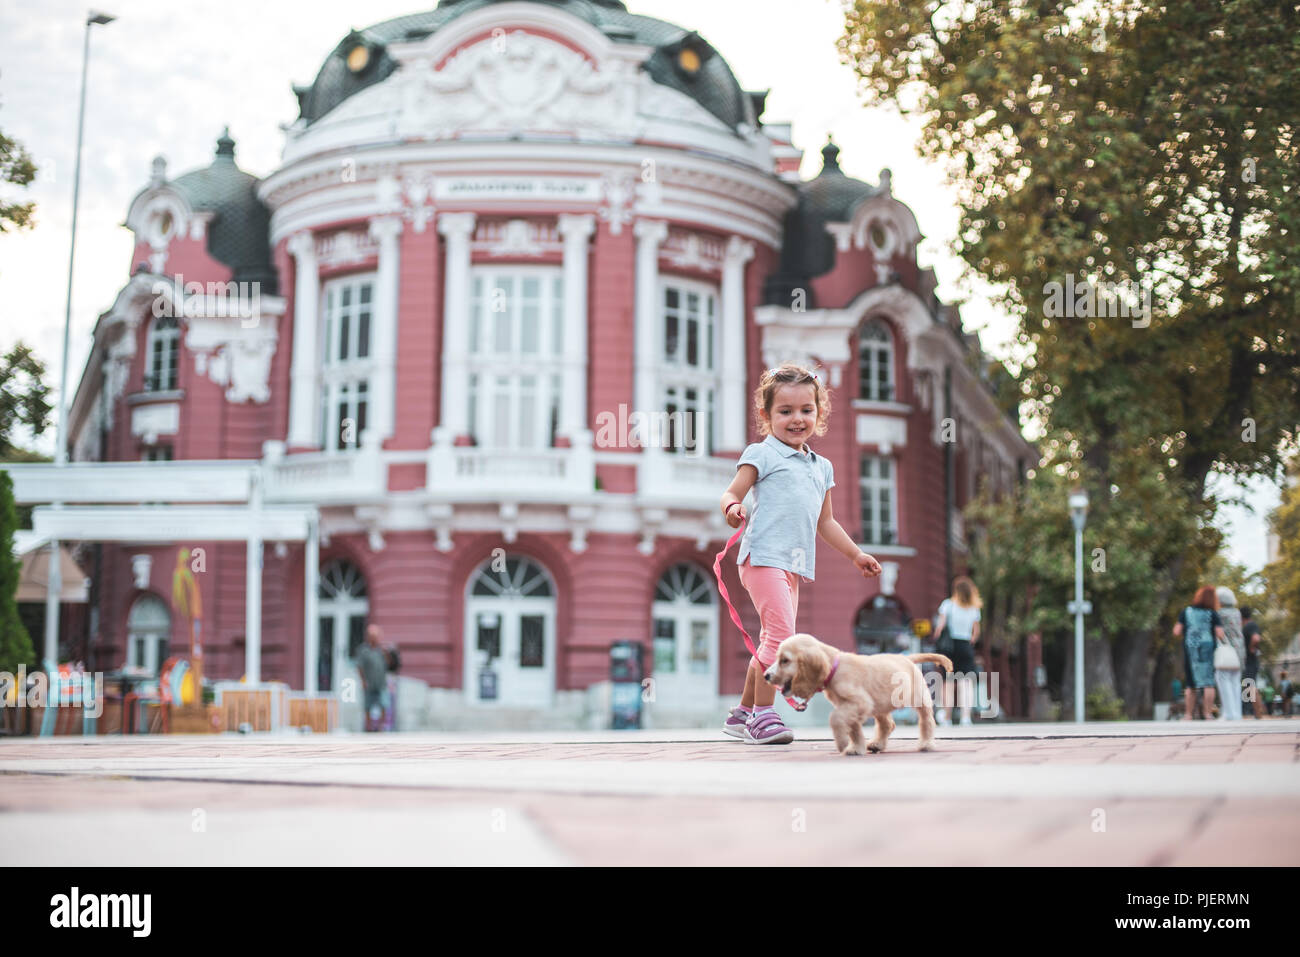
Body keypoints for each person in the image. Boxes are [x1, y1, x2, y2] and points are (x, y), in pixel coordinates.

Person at [719, 364, 883, 743]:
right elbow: (731, 492)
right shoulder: (761, 454)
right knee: (780, 640)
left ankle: (741, 714)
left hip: (792, 566)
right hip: (761, 558)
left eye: (806, 410)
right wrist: (732, 509)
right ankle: (763, 717)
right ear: (766, 415)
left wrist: (856, 555)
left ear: (819, 413)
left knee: (770, 639)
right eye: (785, 411)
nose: (797, 419)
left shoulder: (822, 468)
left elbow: (826, 523)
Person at [1172, 586, 1227, 721]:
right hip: (1208, 650)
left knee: (1191, 683)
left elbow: (1176, 632)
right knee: (1208, 682)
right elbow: (1220, 634)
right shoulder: (1212, 613)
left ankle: (1188, 715)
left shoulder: (1186, 611)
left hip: (1191, 650)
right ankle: (1208, 714)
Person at [933, 577, 982, 726]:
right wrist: (969, 642)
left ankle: (946, 717)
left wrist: (937, 640)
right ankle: (965, 717)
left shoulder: (947, 605)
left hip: (949, 647)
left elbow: (940, 628)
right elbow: (976, 633)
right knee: (966, 682)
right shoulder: (974, 608)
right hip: (965, 646)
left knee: (948, 682)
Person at [1214, 587, 1246, 721]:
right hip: (1239, 649)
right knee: (1235, 682)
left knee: (1223, 679)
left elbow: (1220, 633)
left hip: (1226, 650)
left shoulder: (1219, 613)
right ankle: (1237, 713)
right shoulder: (1237, 612)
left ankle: (1228, 712)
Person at [356, 624, 391, 732]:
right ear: (368, 636)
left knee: (384, 705)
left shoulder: (382, 650)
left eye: (376, 635)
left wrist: (386, 653)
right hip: (369, 683)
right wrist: (363, 681)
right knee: (368, 706)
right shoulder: (363, 650)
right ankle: (369, 728)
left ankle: (381, 727)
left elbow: (389, 665)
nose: (375, 638)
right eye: (372, 635)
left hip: (381, 683)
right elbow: (360, 666)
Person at [1240, 606, 1264, 719]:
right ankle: (1257, 713)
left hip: (1251, 661)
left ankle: (1258, 713)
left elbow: (1256, 638)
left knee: (1250, 685)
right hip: (1250, 662)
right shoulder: (1250, 625)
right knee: (1249, 685)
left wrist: (1251, 648)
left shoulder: (1250, 625)